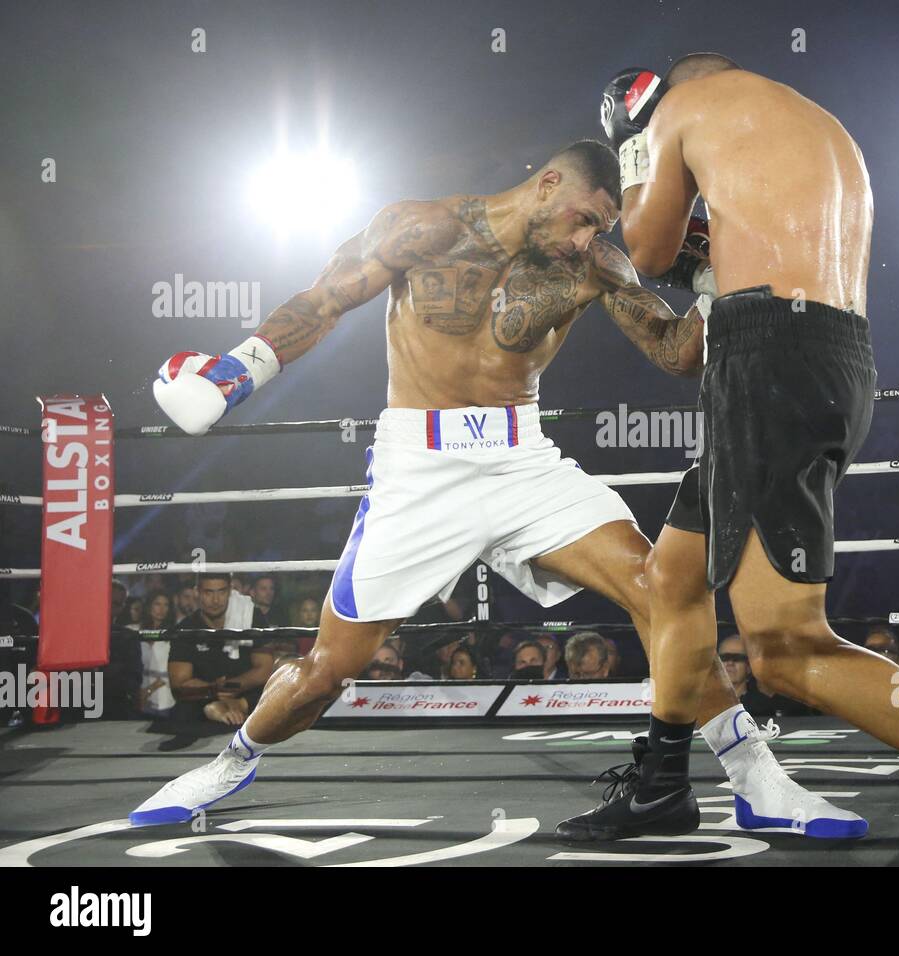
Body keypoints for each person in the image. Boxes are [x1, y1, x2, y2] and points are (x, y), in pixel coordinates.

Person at [132, 139, 854, 835]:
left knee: (662, 585)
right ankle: (230, 763)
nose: (585, 239)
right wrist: (235, 371)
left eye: (599, 229)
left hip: (523, 462)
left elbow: (674, 354)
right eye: (582, 219)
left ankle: (757, 776)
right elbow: (322, 301)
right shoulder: (423, 227)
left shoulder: (595, 262)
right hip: (420, 471)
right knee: (327, 670)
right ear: (548, 185)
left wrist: (714, 284)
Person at [560, 54, 899, 865]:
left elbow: (649, 248)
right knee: (669, 577)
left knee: (785, 649)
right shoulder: (814, 125)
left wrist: (641, 163)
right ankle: (664, 781)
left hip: (767, 360)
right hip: (833, 355)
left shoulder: (678, 112)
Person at [168, 573, 275, 728]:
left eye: (221, 592)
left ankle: (238, 705)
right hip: (203, 698)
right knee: (183, 708)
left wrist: (230, 689)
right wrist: (214, 690)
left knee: (277, 693)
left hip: (248, 696)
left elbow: (265, 669)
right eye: (208, 592)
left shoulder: (251, 617)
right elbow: (179, 683)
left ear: (230, 591)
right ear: (197, 592)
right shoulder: (186, 628)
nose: (216, 600)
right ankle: (219, 707)